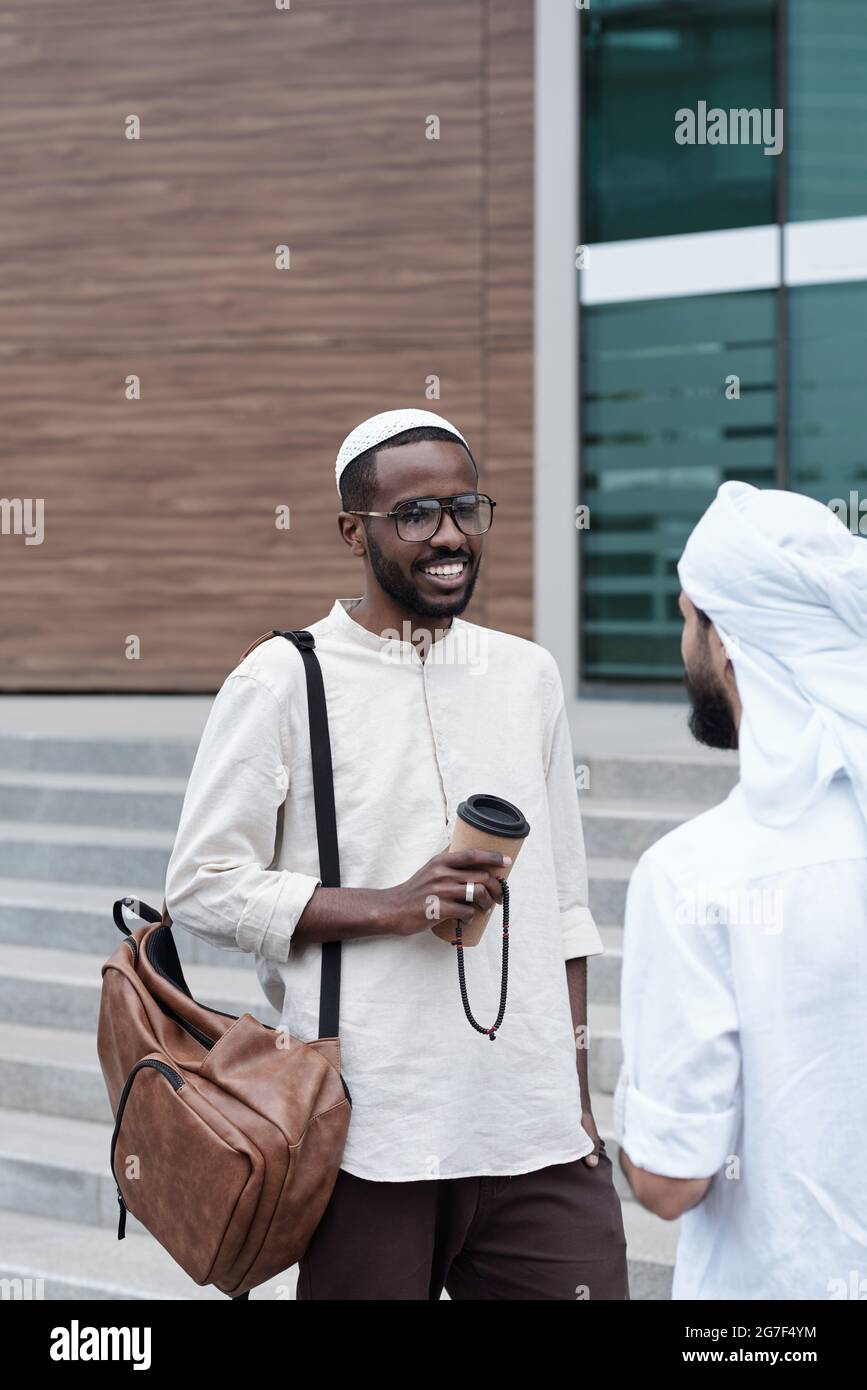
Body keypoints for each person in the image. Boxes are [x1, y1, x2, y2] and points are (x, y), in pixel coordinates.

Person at [165, 407, 628, 1300]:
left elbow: (565, 911)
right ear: (354, 532)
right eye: (415, 515)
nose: (448, 536)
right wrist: (392, 904)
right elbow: (200, 885)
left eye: (465, 509)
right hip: (368, 1133)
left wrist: (575, 1102)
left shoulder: (526, 674)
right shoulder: (282, 678)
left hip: (533, 1132)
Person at [615, 480, 867, 1300]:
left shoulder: (697, 873)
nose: (682, 641)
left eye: (690, 618)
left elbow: (667, 1181)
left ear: (727, 646)